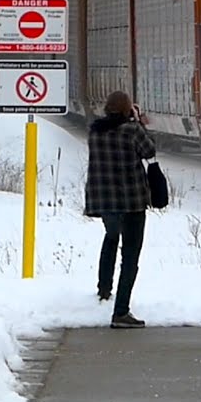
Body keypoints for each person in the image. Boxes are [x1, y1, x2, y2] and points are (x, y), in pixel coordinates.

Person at [84, 90, 156, 328]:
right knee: (130, 255)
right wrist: (138, 122)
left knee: (111, 238)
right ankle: (121, 311)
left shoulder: (95, 132)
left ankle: (104, 289)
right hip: (132, 201)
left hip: (105, 200)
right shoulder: (132, 130)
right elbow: (149, 151)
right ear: (127, 109)